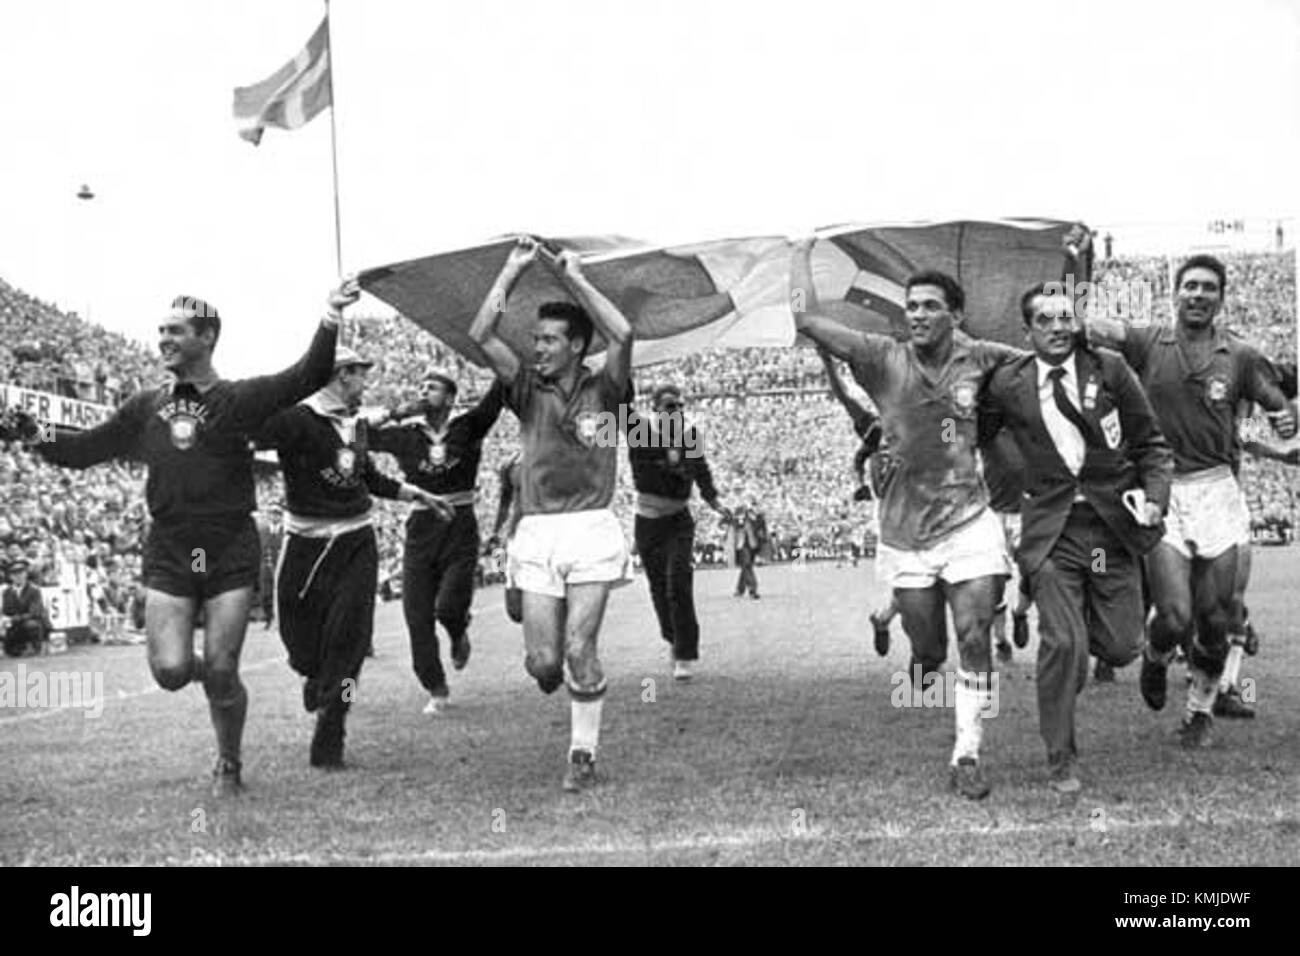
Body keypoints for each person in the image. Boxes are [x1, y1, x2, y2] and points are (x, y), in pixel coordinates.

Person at [19, 287, 346, 795]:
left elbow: (308, 375)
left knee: (221, 666)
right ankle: (217, 682)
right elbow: (82, 451)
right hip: (173, 546)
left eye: (175, 331)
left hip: (228, 544)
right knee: (171, 670)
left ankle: (229, 764)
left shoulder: (237, 400)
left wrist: (330, 315)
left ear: (207, 337)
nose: (163, 340)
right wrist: (31, 434)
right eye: (160, 332)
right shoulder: (143, 407)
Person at [791, 236, 1021, 800]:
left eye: (929, 306)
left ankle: (966, 753)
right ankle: (921, 663)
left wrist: (1077, 265)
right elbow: (806, 316)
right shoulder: (879, 355)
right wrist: (800, 251)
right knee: (930, 649)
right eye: (911, 306)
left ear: (956, 315)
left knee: (973, 636)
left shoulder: (985, 358)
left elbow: (1055, 352)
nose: (916, 314)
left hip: (969, 518)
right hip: (903, 533)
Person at [1087, 254, 1297, 747]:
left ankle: (1199, 711)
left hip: (1218, 490)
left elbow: (1275, 402)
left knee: (1218, 617)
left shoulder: (1239, 355)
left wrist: (1286, 418)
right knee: (1174, 614)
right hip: (1163, 490)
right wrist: (1077, 262)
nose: (1198, 294)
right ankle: (1157, 658)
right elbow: (1089, 328)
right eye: (1190, 286)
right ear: (1175, 293)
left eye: (1208, 287)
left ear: (1221, 298)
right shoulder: (1147, 341)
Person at [981, 283, 1173, 791]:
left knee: (1122, 645)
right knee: (1063, 644)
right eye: (1044, 320)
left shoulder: (1110, 369)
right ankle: (1060, 757)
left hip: (1110, 530)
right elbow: (969, 430)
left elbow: (1151, 443)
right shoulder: (1008, 383)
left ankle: (1102, 639)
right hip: (1052, 532)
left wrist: (1155, 496)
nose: (1058, 327)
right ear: (1027, 332)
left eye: (1065, 316)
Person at [469, 237, 634, 792]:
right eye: (536, 339)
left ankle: (582, 754)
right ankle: (548, 655)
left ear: (576, 347)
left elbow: (624, 333)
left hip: (590, 527)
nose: (537, 347)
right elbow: (481, 334)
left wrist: (575, 277)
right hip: (537, 532)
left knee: (579, 649)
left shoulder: (606, 391)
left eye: (548, 340)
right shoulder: (523, 388)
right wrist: (512, 270)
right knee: (544, 663)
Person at [256, 346, 454, 767]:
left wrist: (417, 493)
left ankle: (333, 724)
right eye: (361, 374)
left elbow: (368, 477)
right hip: (305, 543)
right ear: (342, 375)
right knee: (299, 641)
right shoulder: (295, 420)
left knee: (349, 644)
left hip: (356, 542)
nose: (366, 382)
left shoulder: (356, 424)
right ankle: (315, 675)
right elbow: (249, 434)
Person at [369, 374, 506, 714]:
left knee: (447, 607)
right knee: (416, 615)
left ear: (449, 397)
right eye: (420, 386)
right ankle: (436, 686)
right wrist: (393, 413)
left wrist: (501, 323)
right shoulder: (406, 436)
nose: (422, 391)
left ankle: (458, 633)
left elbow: (498, 393)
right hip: (421, 527)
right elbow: (355, 437)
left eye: (432, 387)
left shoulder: (468, 427)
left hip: (459, 522)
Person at [627, 385, 730, 680]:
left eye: (679, 407)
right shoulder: (639, 432)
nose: (675, 413)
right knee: (658, 589)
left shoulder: (690, 437)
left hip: (678, 520)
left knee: (679, 584)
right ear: (655, 411)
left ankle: (685, 654)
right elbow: (615, 406)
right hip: (647, 522)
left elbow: (701, 471)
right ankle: (673, 641)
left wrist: (715, 503)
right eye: (669, 407)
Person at [2, 559, 49, 656]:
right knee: (11, 651)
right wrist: (4, 620)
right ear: (10, 577)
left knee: (31, 625)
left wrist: (13, 619)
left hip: (32, 622)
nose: (18, 577)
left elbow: (34, 613)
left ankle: (34, 646)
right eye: (15, 574)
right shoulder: (7, 592)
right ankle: (13, 647)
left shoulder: (34, 590)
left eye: (21, 573)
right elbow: (6, 610)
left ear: (26, 574)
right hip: (14, 624)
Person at [726, 503, 767, 599]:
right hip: (742, 545)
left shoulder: (759, 519)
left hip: (753, 545)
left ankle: (739, 590)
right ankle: (753, 589)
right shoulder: (743, 517)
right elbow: (735, 525)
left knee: (746, 567)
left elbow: (762, 533)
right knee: (747, 565)